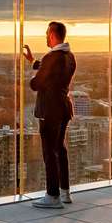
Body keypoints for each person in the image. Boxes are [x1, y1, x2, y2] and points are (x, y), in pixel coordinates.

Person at [24, 21, 76, 209]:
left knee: (49, 153)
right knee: (60, 150)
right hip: (64, 109)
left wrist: (32, 78)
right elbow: (52, 71)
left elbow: (36, 84)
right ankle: (65, 192)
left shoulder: (52, 57)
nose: (46, 36)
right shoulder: (69, 56)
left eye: (47, 33)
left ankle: (52, 196)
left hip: (50, 111)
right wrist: (33, 61)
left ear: (53, 35)